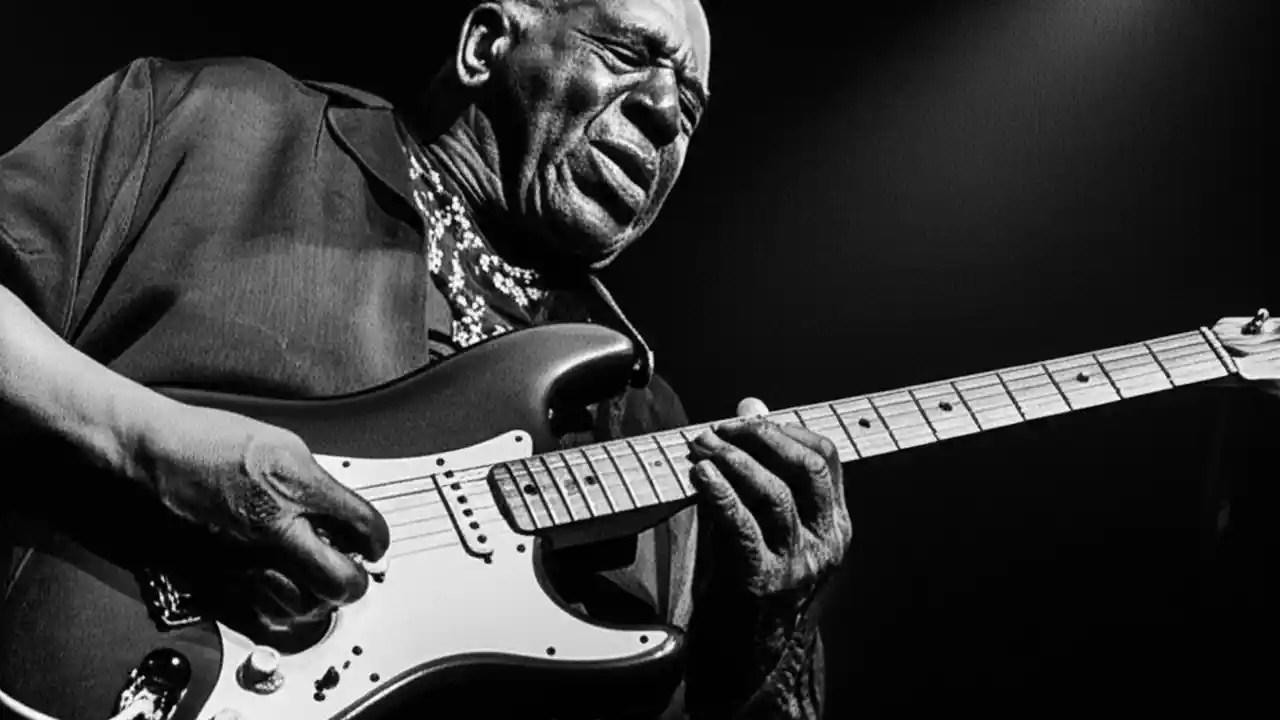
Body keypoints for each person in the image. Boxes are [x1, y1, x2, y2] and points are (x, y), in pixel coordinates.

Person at [0, 1, 854, 718]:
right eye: (632, 54)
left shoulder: (653, 425)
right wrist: (147, 448)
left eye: (693, 108)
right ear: (487, 45)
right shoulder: (218, 122)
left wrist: (771, 626)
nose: (666, 112)